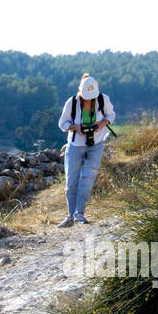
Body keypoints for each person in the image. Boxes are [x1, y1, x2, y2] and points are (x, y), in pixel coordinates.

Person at [57, 73, 116, 227]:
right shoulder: (72, 102)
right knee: (71, 182)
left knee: (88, 179)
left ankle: (79, 214)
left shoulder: (103, 100)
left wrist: (101, 125)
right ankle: (70, 215)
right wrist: (76, 127)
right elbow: (62, 124)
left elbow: (111, 115)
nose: (89, 99)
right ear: (80, 91)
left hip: (96, 144)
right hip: (75, 145)